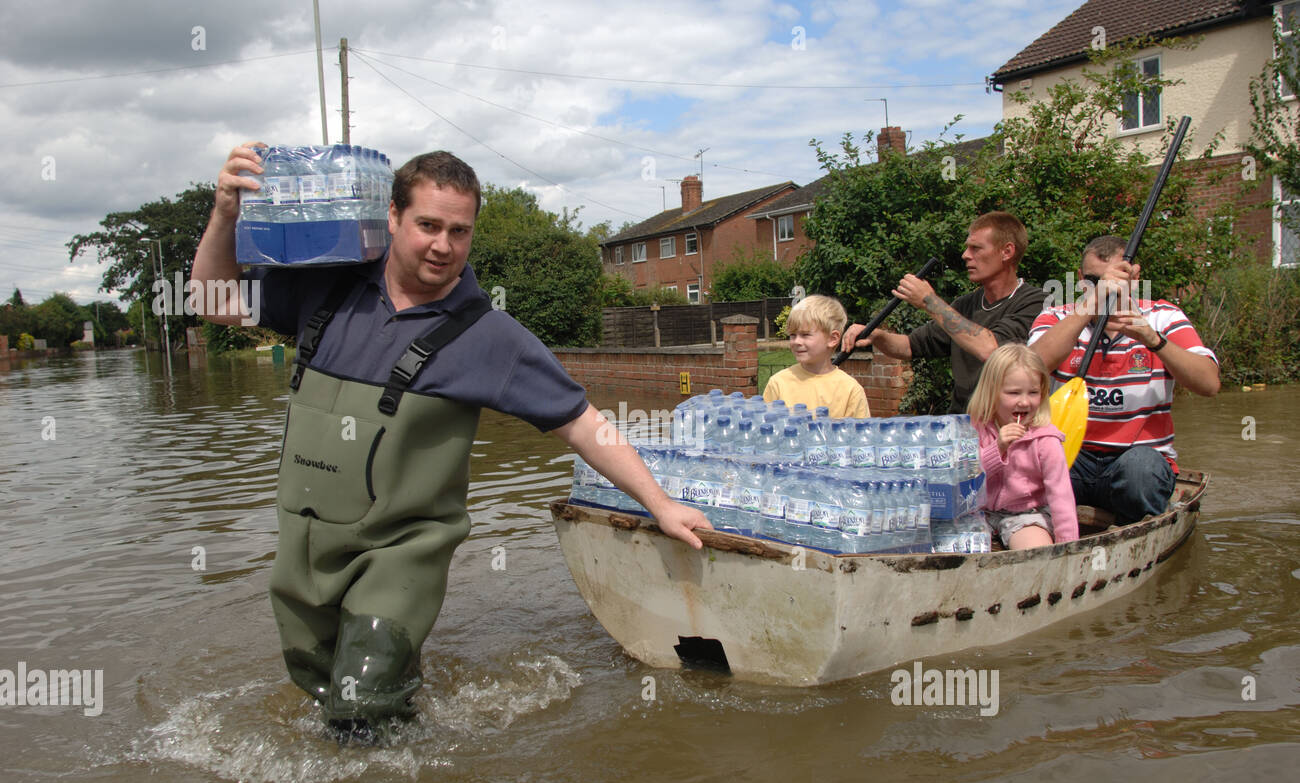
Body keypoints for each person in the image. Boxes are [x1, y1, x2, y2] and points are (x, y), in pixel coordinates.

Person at [191, 142, 711, 740]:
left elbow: (583, 424)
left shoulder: (489, 338)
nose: (442, 245)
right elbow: (213, 303)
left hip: (399, 556)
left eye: (458, 231)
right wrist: (226, 213)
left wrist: (661, 505)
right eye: (428, 225)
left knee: (360, 702)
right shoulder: (324, 289)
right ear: (392, 218)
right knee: (324, 702)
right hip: (304, 546)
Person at [1028, 235, 1220, 524]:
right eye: (1094, 281)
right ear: (1080, 280)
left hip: (1136, 461)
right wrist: (1090, 306)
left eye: (1116, 279)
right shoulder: (1056, 317)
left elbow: (1209, 384)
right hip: (1070, 454)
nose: (1107, 289)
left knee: (1139, 471)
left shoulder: (1163, 317)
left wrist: (1152, 339)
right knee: (1028, 462)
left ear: (1134, 276)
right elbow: (1030, 369)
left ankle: (1132, 524)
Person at [840, 212, 1046, 413]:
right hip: (961, 426)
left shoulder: (1035, 303)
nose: (965, 255)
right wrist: (876, 336)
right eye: (967, 248)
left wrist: (930, 302)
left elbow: (991, 349)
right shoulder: (966, 305)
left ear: (1007, 252)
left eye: (976, 248)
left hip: (1007, 431)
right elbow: (909, 346)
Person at [967, 344, 1077, 549]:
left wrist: (1068, 547)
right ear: (991, 392)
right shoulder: (977, 428)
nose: (1025, 402)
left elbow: (1061, 496)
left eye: (1033, 392)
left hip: (1026, 515)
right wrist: (997, 447)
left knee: (1035, 552)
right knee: (949, 544)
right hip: (979, 513)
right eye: (1014, 393)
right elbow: (967, 476)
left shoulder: (1045, 440)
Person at [763, 295, 870, 417]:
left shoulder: (850, 390)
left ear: (832, 339)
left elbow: (860, 433)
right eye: (792, 335)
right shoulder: (778, 383)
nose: (796, 341)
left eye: (805, 335)